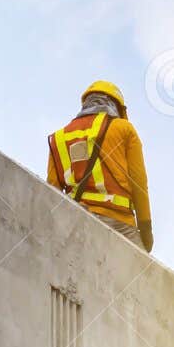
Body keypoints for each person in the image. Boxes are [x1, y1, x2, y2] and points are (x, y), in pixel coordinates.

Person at [47, 81, 153, 253]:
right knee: (145, 270)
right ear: (116, 105)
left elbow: (52, 191)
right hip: (120, 223)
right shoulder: (124, 129)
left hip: (75, 220)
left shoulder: (59, 137)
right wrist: (146, 230)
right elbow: (139, 182)